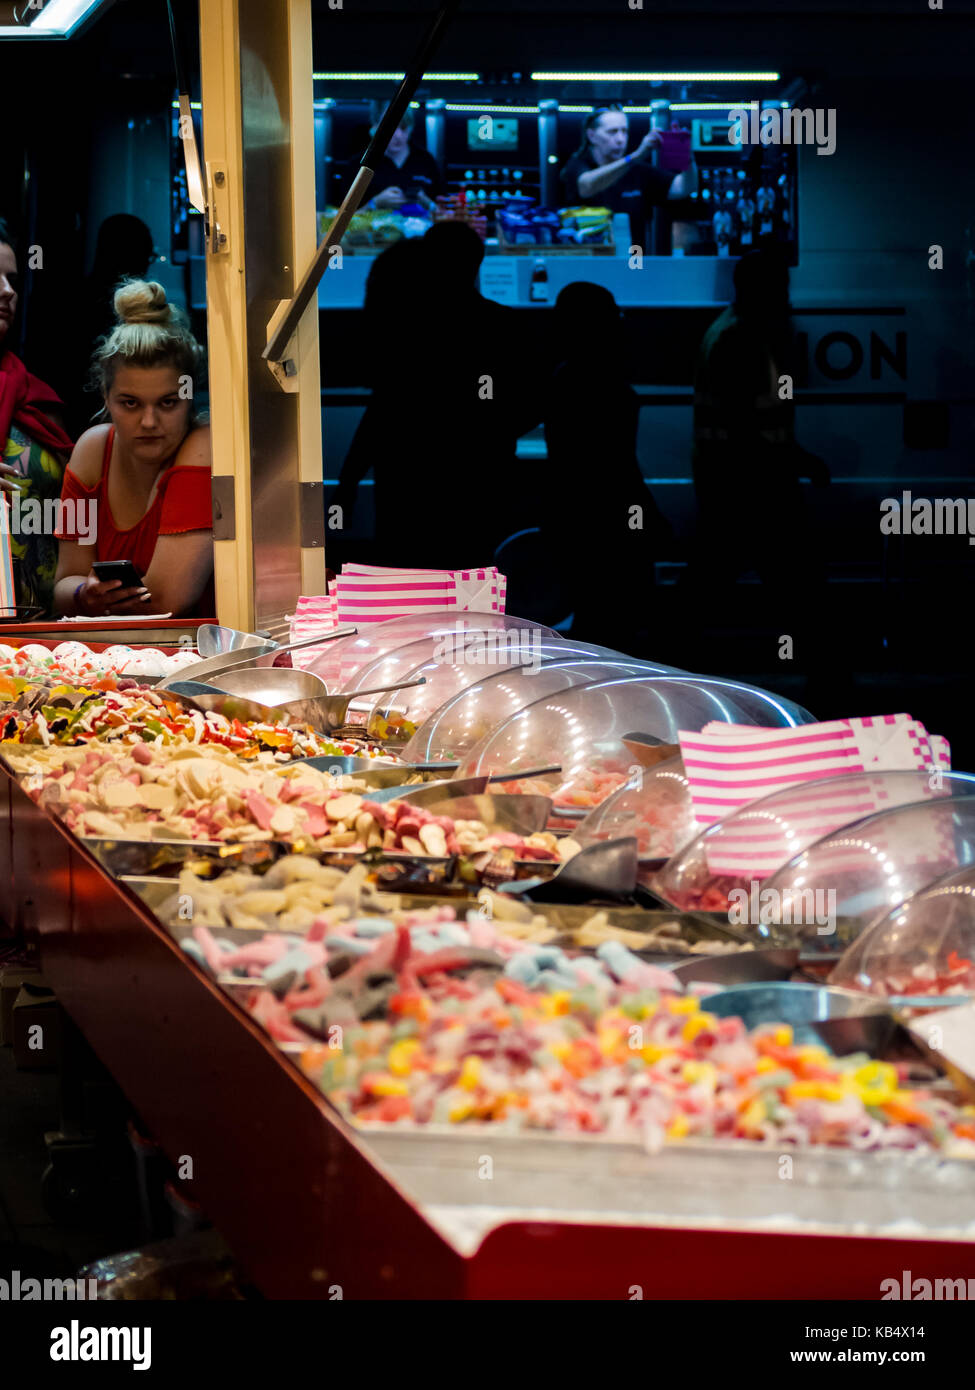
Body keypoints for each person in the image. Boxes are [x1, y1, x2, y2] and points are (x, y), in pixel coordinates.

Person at [335, 222, 538, 565]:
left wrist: (348, 484)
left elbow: (382, 410)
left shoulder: (406, 331)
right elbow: (533, 403)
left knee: (408, 588)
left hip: (407, 482)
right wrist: (492, 436)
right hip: (480, 481)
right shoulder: (504, 325)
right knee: (472, 585)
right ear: (477, 263)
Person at [54, 280, 213, 618]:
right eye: (130, 403)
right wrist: (86, 594)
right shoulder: (92, 451)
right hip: (105, 658)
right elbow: (63, 585)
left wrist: (89, 600)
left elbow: (166, 600)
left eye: (168, 403)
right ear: (105, 396)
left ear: (190, 397)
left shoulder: (204, 446)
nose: (149, 422)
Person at [690, 248, 828, 622]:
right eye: (779, 287)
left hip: (735, 484)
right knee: (802, 587)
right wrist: (793, 464)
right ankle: (830, 673)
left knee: (708, 586)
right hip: (752, 487)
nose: (786, 297)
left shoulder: (738, 333)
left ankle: (663, 667)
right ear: (758, 289)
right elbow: (744, 426)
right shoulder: (739, 341)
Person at [541, 281, 671, 642]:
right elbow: (617, 464)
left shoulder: (566, 379)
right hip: (605, 520)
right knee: (613, 616)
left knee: (595, 615)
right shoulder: (602, 385)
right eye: (613, 313)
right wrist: (647, 515)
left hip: (578, 516)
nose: (621, 320)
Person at [0, 218, 74, 617]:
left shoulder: (34, 397)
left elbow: (82, 514)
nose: (7, 291)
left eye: (11, 278)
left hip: (39, 634)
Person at [560, 105, 698, 246]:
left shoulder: (638, 171)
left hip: (633, 261)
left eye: (624, 131)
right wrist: (636, 156)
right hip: (585, 262)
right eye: (612, 132)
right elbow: (586, 186)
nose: (620, 139)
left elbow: (684, 188)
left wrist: (687, 158)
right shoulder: (577, 165)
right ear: (591, 135)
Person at [366, 108, 444, 212]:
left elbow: (444, 212)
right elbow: (343, 215)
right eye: (391, 128)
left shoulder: (426, 160)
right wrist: (375, 203)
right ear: (376, 128)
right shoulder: (363, 163)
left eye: (403, 128)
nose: (398, 135)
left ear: (411, 128)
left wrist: (426, 203)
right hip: (373, 227)